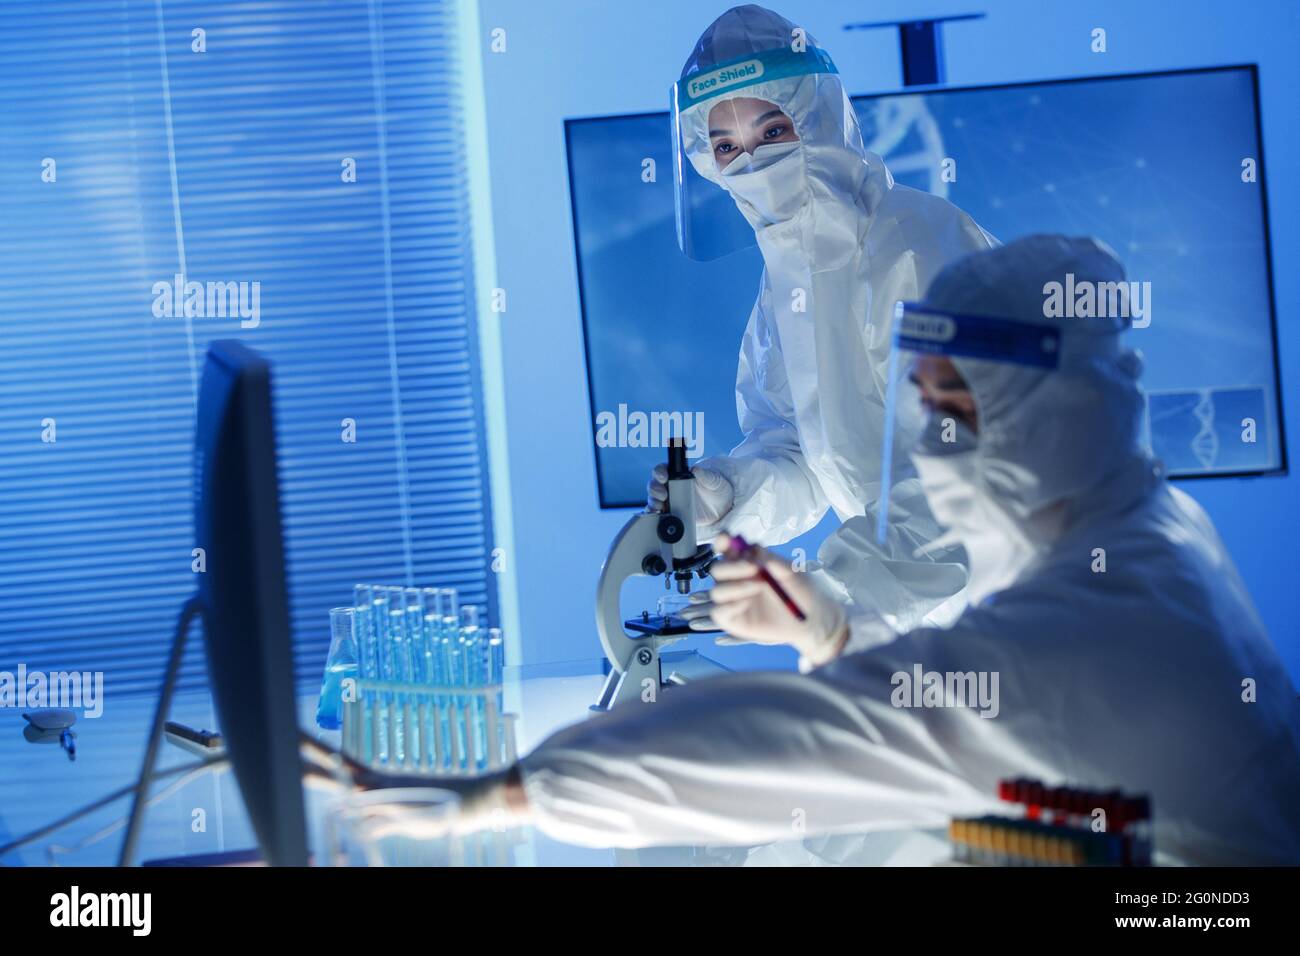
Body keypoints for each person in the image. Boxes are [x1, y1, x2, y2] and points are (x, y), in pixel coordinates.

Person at [361, 236, 1300, 866]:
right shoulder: (1140, 520)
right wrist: (830, 630)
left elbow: (796, 742)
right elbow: (959, 714)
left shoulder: (1090, 619)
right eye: (924, 409)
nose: (932, 447)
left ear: (1060, 405)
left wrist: (516, 790)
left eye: (959, 408)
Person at [648, 5, 997, 635]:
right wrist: (726, 493)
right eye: (726, 146)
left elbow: (968, 479)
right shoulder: (783, 291)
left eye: (772, 130)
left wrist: (827, 592)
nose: (751, 161)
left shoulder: (917, 245)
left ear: (821, 120)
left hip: (1027, 613)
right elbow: (799, 451)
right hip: (922, 618)